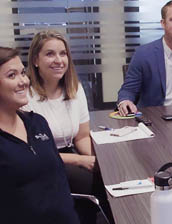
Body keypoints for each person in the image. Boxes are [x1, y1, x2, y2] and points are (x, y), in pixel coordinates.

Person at [23, 30, 112, 223]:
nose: (58, 60)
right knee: (98, 184)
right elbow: (32, 151)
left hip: (69, 154)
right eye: (50, 54)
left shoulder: (75, 88)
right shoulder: (25, 96)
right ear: (36, 60)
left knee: (109, 173)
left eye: (63, 54)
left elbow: (81, 136)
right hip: (41, 163)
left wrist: (96, 161)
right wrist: (80, 161)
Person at [0, 46, 79, 223]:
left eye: (22, 73)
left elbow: (60, 183)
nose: (24, 81)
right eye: (12, 75)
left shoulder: (37, 123)